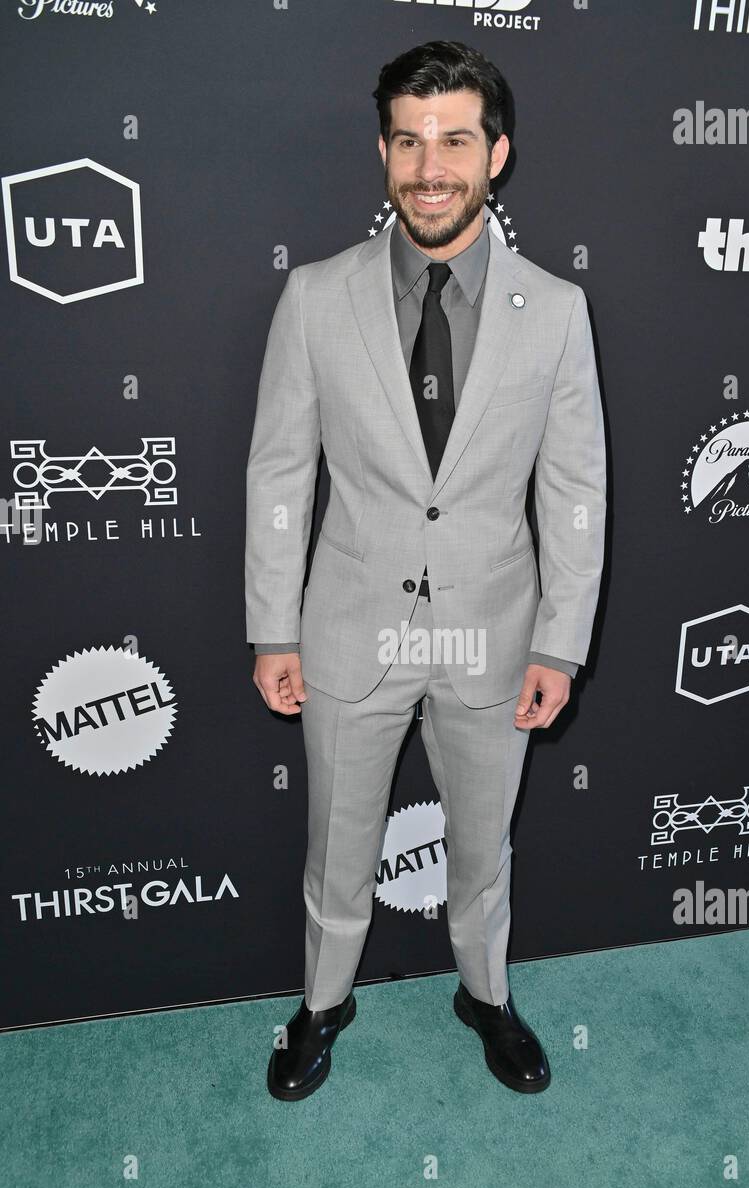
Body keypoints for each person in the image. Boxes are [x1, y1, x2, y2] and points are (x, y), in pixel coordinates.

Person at [245, 39, 606, 1101]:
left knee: (483, 848)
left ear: (497, 154)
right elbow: (278, 469)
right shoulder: (315, 297)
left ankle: (484, 997)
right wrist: (273, 626)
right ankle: (321, 1003)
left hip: (496, 636)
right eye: (410, 140)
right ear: (384, 152)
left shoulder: (559, 311)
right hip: (351, 627)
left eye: (454, 139)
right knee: (336, 847)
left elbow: (575, 491)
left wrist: (561, 642)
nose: (430, 165)